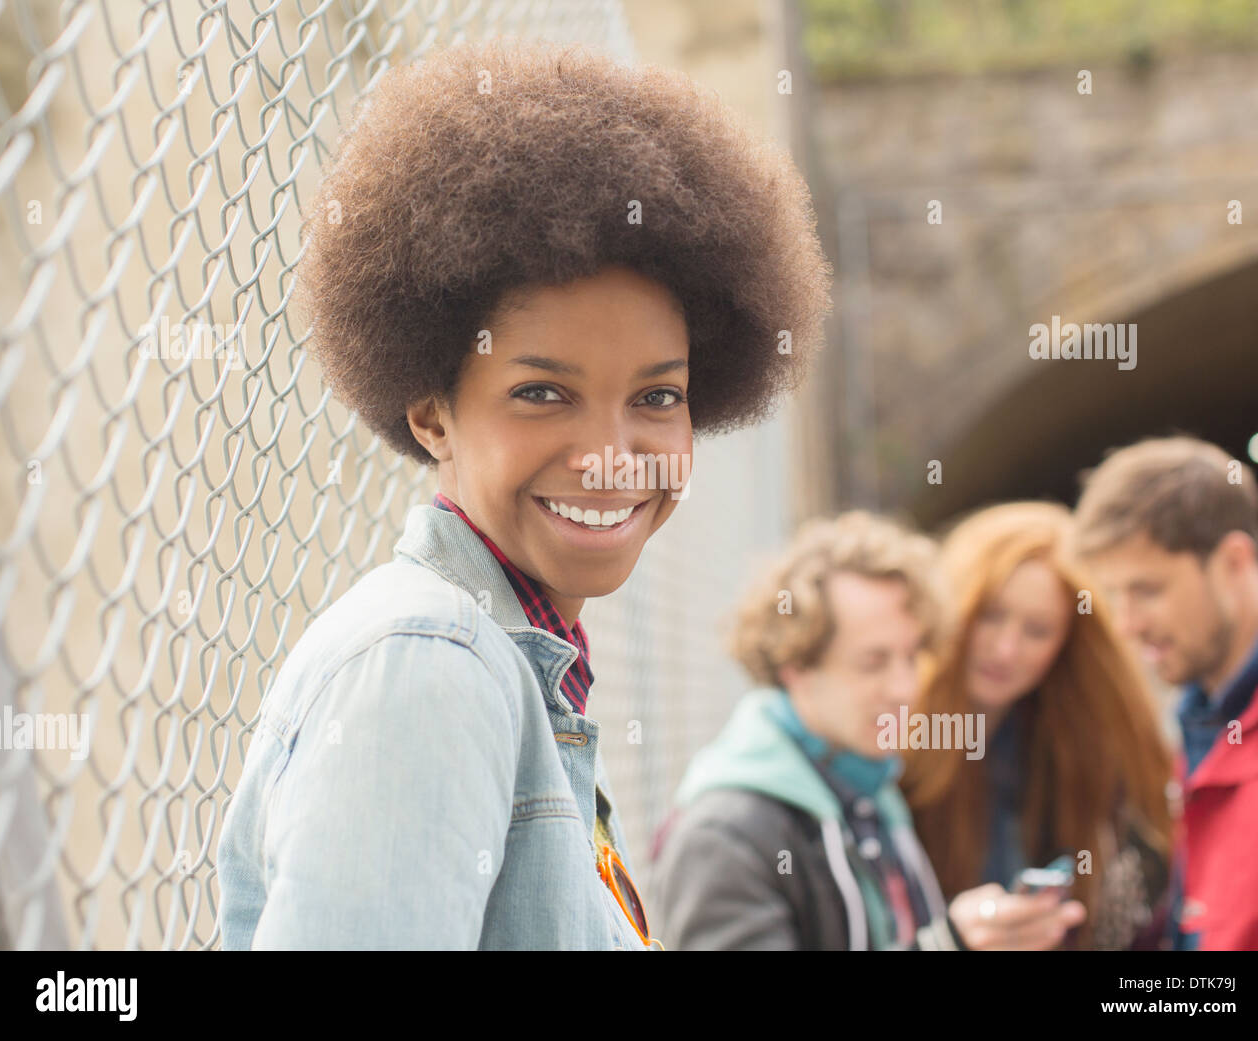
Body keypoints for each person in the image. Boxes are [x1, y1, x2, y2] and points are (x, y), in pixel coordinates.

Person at [216, 38, 832, 949]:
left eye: (657, 396)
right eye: (542, 392)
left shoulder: (522, 660)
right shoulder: (431, 665)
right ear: (432, 415)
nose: (613, 457)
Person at [649, 510, 1086, 950]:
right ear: (796, 665)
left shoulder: (868, 791)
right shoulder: (725, 838)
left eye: (912, 657)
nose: (905, 689)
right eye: (872, 663)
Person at [899, 502, 1174, 950]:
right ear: (951, 609)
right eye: (990, 615)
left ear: (1067, 641)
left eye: (1038, 630)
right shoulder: (886, 741)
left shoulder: (1088, 751)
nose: (1006, 650)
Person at [1073, 436, 1258, 950]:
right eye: (1115, 595)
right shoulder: (1191, 724)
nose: (1125, 625)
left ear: (1233, 561)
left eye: (1147, 590)